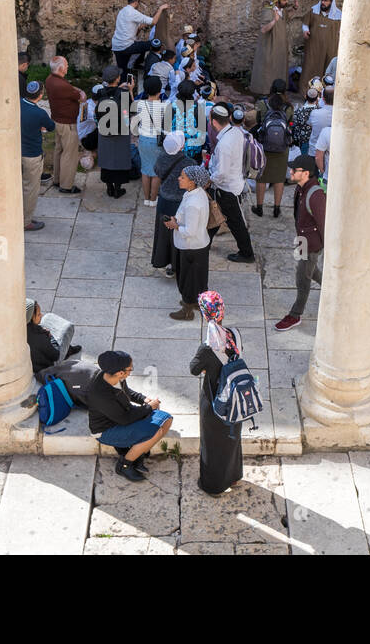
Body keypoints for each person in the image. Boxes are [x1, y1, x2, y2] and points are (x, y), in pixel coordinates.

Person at [88, 350, 173, 483]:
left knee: (167, 419)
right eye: (130, 369)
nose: (131, 371)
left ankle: (137, 454)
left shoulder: (113, 377)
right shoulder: (100, 394)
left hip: (122, 416)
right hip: (107, 430)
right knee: (155, 431)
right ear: (121, 372)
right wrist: (149, 407)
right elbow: (124, 418)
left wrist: (143, 399)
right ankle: (124, 465)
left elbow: (127, 392)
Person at [190, 290, 244, 495]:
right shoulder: (235, 334)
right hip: (235, 396)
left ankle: (214, 485)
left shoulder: (206, 348)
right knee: (232, 438)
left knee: (212, 443)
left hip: (214, 399)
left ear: (205, 315)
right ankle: (234, 476)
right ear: (222, 310)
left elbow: (194, 369)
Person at [273, 155, 326, 331]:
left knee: (303, 278)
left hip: (312, 244)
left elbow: (324, 223)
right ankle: (332, 286)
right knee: (310, 270)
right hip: (303, 240)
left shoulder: (315, 194)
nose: (291, 171)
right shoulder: (300, 188)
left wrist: (327, 248)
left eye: (294, 170)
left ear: (306, 173)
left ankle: (295, 315)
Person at [206, 104, 255, 263]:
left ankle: (247, 253)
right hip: (233, 184)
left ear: (214, 122)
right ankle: (204, 244)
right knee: (216, 216)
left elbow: (222, 173)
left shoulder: (224, 144)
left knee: (234, 222)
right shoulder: (236, 132)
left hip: (226, 188)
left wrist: (209, 180)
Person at [166, 164, 211, 320]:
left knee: (187, 279)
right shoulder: (196, 193)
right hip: (199, 244)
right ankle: (198, 303)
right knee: (198, 278)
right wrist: (176, 219)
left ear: (192, 181)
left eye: (183, 177)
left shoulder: (193, 203)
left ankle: (187, 310)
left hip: (191, 247)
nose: (179, 178)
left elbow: (190, 231)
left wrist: (175, 226)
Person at [44, 55, 86, 194]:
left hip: (57, 121)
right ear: (61, 68)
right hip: (67, 124)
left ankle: (57, 179)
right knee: (70, 154)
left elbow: (69, 87)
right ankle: (66, 185)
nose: (67, 67)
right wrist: (82, 92)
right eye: (66, 65)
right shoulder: (62, 86)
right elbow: (80, 97)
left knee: (59, 151)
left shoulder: (50, 80)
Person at [95, 65, 137, 198]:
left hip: (104, 131)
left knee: (106, 158)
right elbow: (131, 111)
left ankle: (109, 188)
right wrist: (130, 91)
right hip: (120, 132)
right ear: (118, 79)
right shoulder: (123, 94)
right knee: (119, 160)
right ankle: (118, 189)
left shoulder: (100, 92)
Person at [151, 132, 190, 275]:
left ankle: (164, 262)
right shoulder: (188, 162)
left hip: (164, 201)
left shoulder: (161, 158)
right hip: (180, 204)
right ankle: (177, 265)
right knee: (178, 235)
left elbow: (157, 171)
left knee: (164, 235)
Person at [252, 79, 293, 218]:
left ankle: (259, 207)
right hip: (282, 148)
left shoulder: (263, 104)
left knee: (262, 177)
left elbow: (258, 122)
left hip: (264, 145)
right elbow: (290, 124)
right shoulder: (288, 107)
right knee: (279, 178)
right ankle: (276, 208)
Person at [21, 79, 55, 232]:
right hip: (32, 155)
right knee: (30, 189)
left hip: (16, 153)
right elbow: (51, 126)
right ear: (40, 95)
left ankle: (17, 216)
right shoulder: (39, 113)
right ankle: (26, 221)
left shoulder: (18, 104)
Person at [111, 0, 169, 79]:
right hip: (126, 46)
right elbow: (153, 21)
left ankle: (124, 91)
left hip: (116, 47)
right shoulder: (133, 12)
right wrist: (161, 9)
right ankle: (139, 64)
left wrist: (140, 27)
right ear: (136, 2)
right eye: (139, 3)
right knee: (152, 44)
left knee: (123, 72)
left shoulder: (122, 11)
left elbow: (132, 32)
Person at [133, 75, 165, 206]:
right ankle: (153, 199)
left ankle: (146, 198)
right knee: (156, 172)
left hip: (143, 140)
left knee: (145, 170)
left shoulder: (139, 104)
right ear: (160, 91)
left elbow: (134, 123)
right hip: (157, 141)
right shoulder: (165, 106)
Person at [250, 0, 290, 94]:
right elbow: (263, 29)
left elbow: (287, 19)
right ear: (277, 1)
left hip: (279, 48)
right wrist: (274, 21)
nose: (286, 2)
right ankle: (265, 93)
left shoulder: (282, 11)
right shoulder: (268, 11)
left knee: (278, 69)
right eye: (284, 0)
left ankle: (279, 91)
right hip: (269, 47)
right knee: (267, 71)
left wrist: (295, 8)